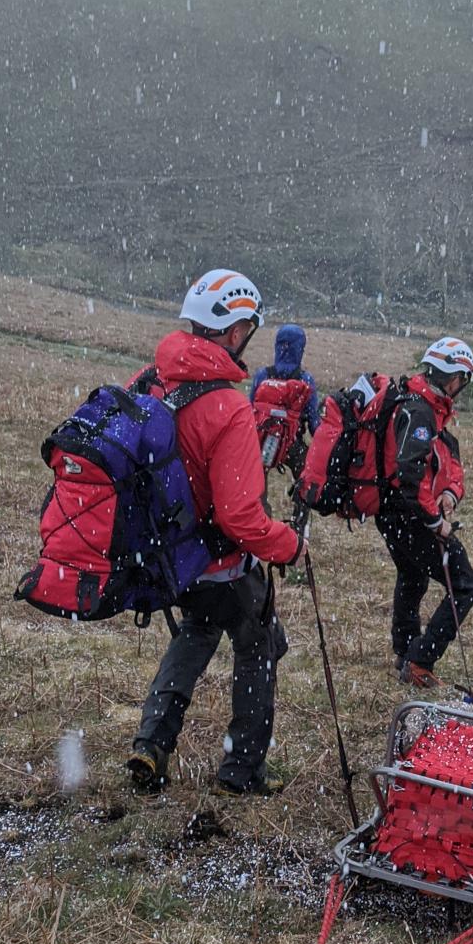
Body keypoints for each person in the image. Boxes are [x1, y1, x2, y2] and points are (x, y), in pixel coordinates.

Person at [127, 270, 302, 797]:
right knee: (259, 645)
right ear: (234, 331)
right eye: (248, 327)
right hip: (222, 563)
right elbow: (240, 517)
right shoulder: (228, 407)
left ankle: (151, 743)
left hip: (169, 557)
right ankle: (241, 770)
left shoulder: (151, 378)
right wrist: (289, 544)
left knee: (196, 633)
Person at [377, 336, 473, 690]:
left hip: (391, 514)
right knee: (465, 584)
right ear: (454, 379)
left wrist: (450, 494)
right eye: (462, 380)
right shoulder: (421, 411)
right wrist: (435, 521)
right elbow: (411, 474)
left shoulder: (417, 403)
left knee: (412, 576)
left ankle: (406, 651)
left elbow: (442, 463)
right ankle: (421, 659)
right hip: (410, 517)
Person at [249, 323, 322, 475]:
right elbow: (314, 423)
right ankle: (302, 496)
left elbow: (250, 412)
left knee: (256, 478)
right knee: (307, 475)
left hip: (262, 439)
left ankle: (258, 498)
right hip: (292, 442)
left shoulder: (262, 375)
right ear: (300, 349)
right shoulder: (305, 380)